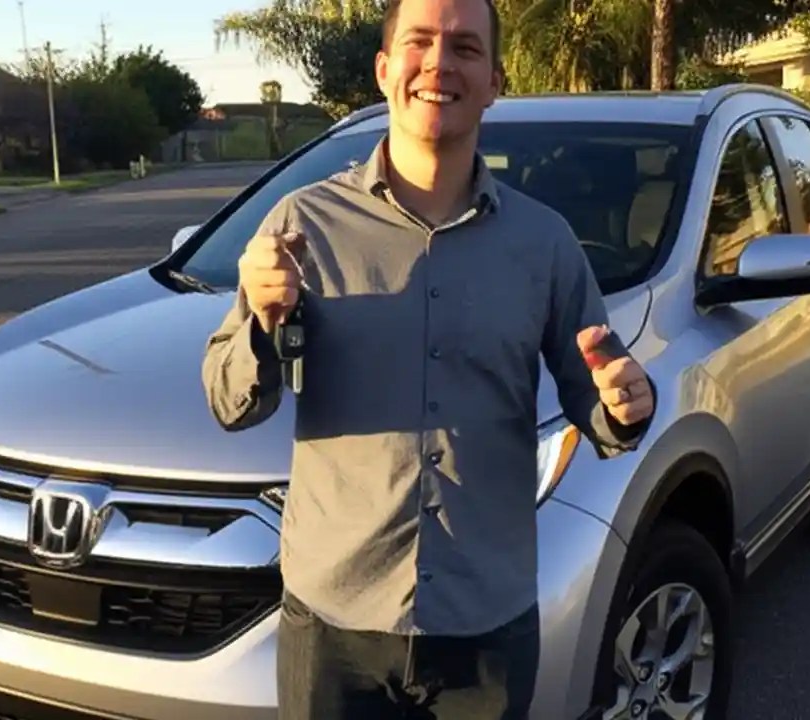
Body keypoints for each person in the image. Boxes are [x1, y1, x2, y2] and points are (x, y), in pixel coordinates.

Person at [201, 0, 655, 717]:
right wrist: (260, 320)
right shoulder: (300, 227)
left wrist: (627, 405)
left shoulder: (545, 245)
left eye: (466, 48)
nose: (440, 63)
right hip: (335, 628)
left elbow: (597, 400)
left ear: (495, 80)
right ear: (385, 71)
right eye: (420, 42)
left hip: (487, 630)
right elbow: (231, 402)